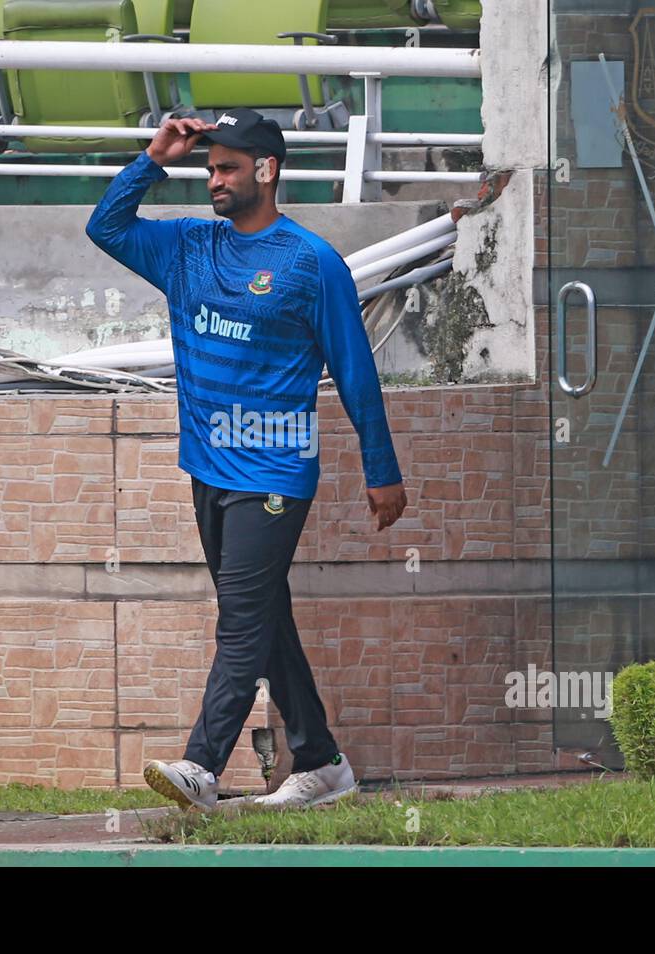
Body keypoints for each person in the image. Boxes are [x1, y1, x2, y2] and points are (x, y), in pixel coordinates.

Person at [85, 108, 408, 811]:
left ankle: (202, 765)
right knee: (264, 619)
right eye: (208, 168)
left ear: (268, 170)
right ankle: (321, 761)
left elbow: (356, 373)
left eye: (227, 167)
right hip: (208, 471)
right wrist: (155, 157)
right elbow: (105, 226)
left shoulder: (312, 263)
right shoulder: (187, 249)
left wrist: (381, 470)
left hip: (275, 474)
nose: (214, 180)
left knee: (240, 620)